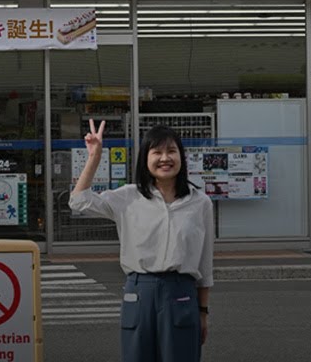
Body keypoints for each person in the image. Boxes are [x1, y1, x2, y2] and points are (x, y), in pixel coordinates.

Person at [70, 121, 214, 362]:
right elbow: (78, 201)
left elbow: (205, 265)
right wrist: (94, 157)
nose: (165, 158)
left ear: (181, 157)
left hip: (181, 292)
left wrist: (203, 311)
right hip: (139, 292)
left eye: (171, 151)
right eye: (157, 152)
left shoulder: (200, 203)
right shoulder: (128, 197)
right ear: (145, 159)